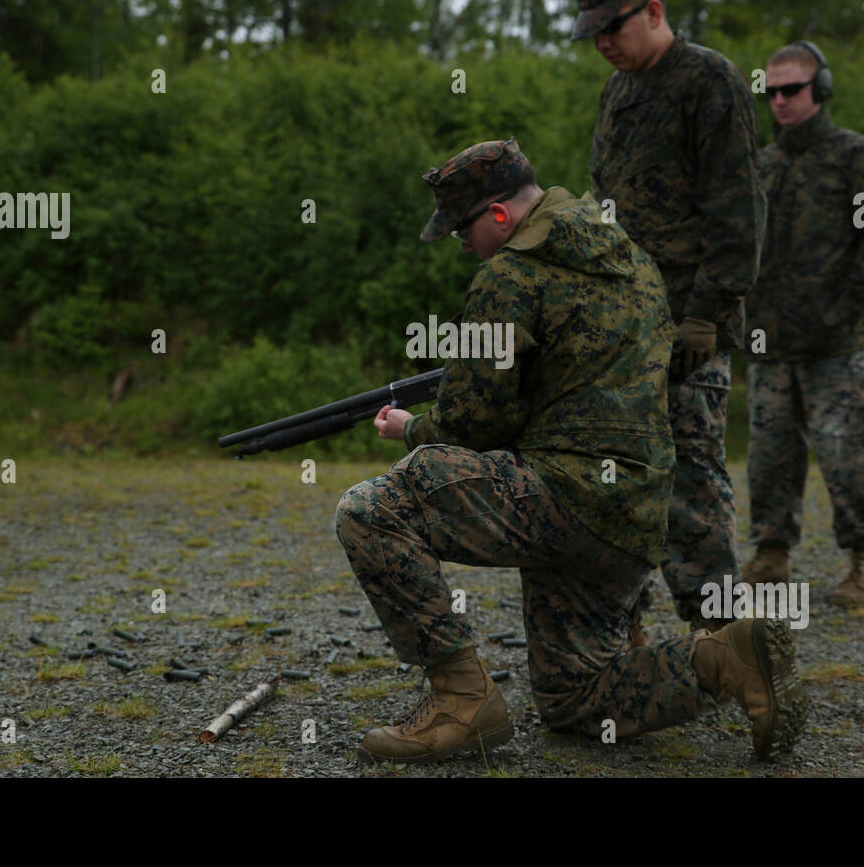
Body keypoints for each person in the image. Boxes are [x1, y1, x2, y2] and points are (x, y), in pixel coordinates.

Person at [333, 138, 807, 765]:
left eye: (462, 231)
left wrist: (413, 428)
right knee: (576, 698)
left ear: (500, 216)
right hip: (633, 515)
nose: (462, 245)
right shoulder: (629, 254)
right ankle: (727, 657)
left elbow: (474, 421)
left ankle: (460, 700)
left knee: (373, 509)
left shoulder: (507, 275)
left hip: (560, 495)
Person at [565, 0, 765, 633]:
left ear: (654, 11)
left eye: (612, 29)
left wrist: (706, 318)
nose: (603, 45)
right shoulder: (618, 91)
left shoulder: (709, 81)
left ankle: (720, 640)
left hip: (686, 329)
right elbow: (603, 199)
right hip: (623, 328)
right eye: (592, 35)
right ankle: (621, 631)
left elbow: (739, 215)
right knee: (618, 474)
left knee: (691, 481)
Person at [740, 41, 864, 606]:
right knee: (769, 456)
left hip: (840, 342)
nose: (779, 100)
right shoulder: (764, 163)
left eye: (792, 89)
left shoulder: (854, 155)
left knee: (845, 452)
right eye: (771, 91)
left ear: (820, 90)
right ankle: (771, 556)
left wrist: (852, 309)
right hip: (774, 342)